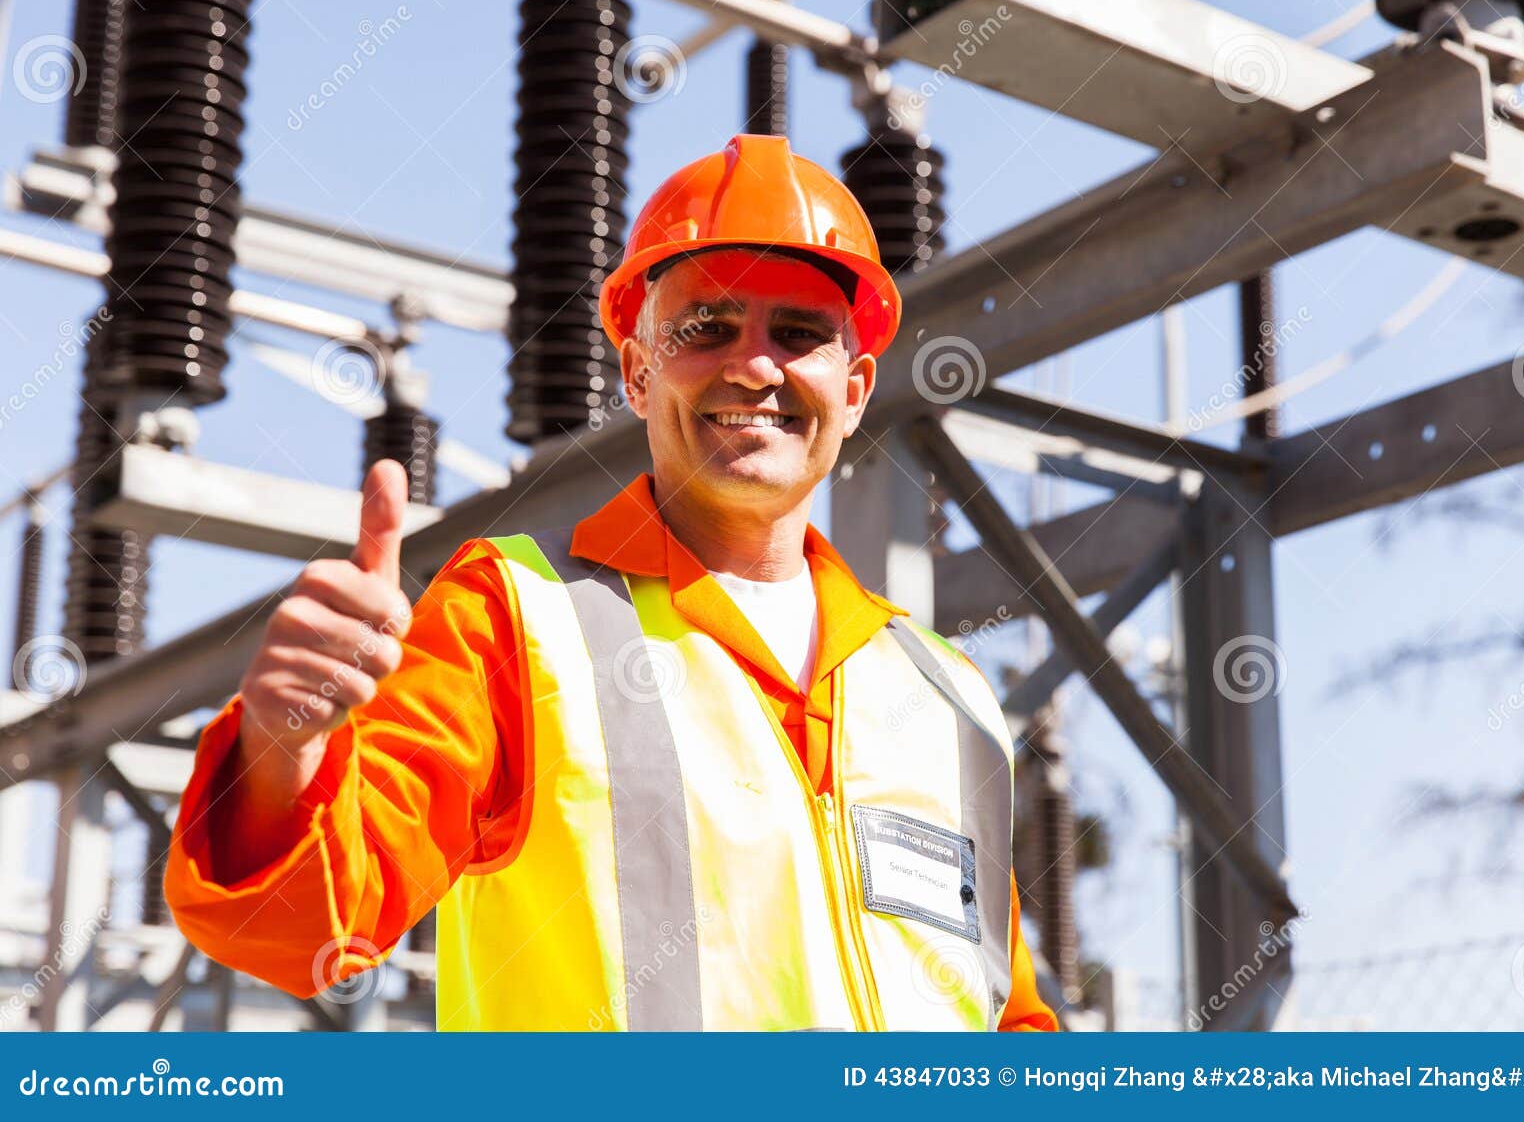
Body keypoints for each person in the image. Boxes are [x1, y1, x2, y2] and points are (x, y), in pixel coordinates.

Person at [165, 134, 1060, 1032]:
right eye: (705, 327)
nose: (755, 365)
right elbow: (299, 928)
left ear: (856, 388)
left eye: (798, 334)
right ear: (637, 371)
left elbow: (1002, 1016)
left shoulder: (948, 695)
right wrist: (282, 749)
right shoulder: (514, 615)